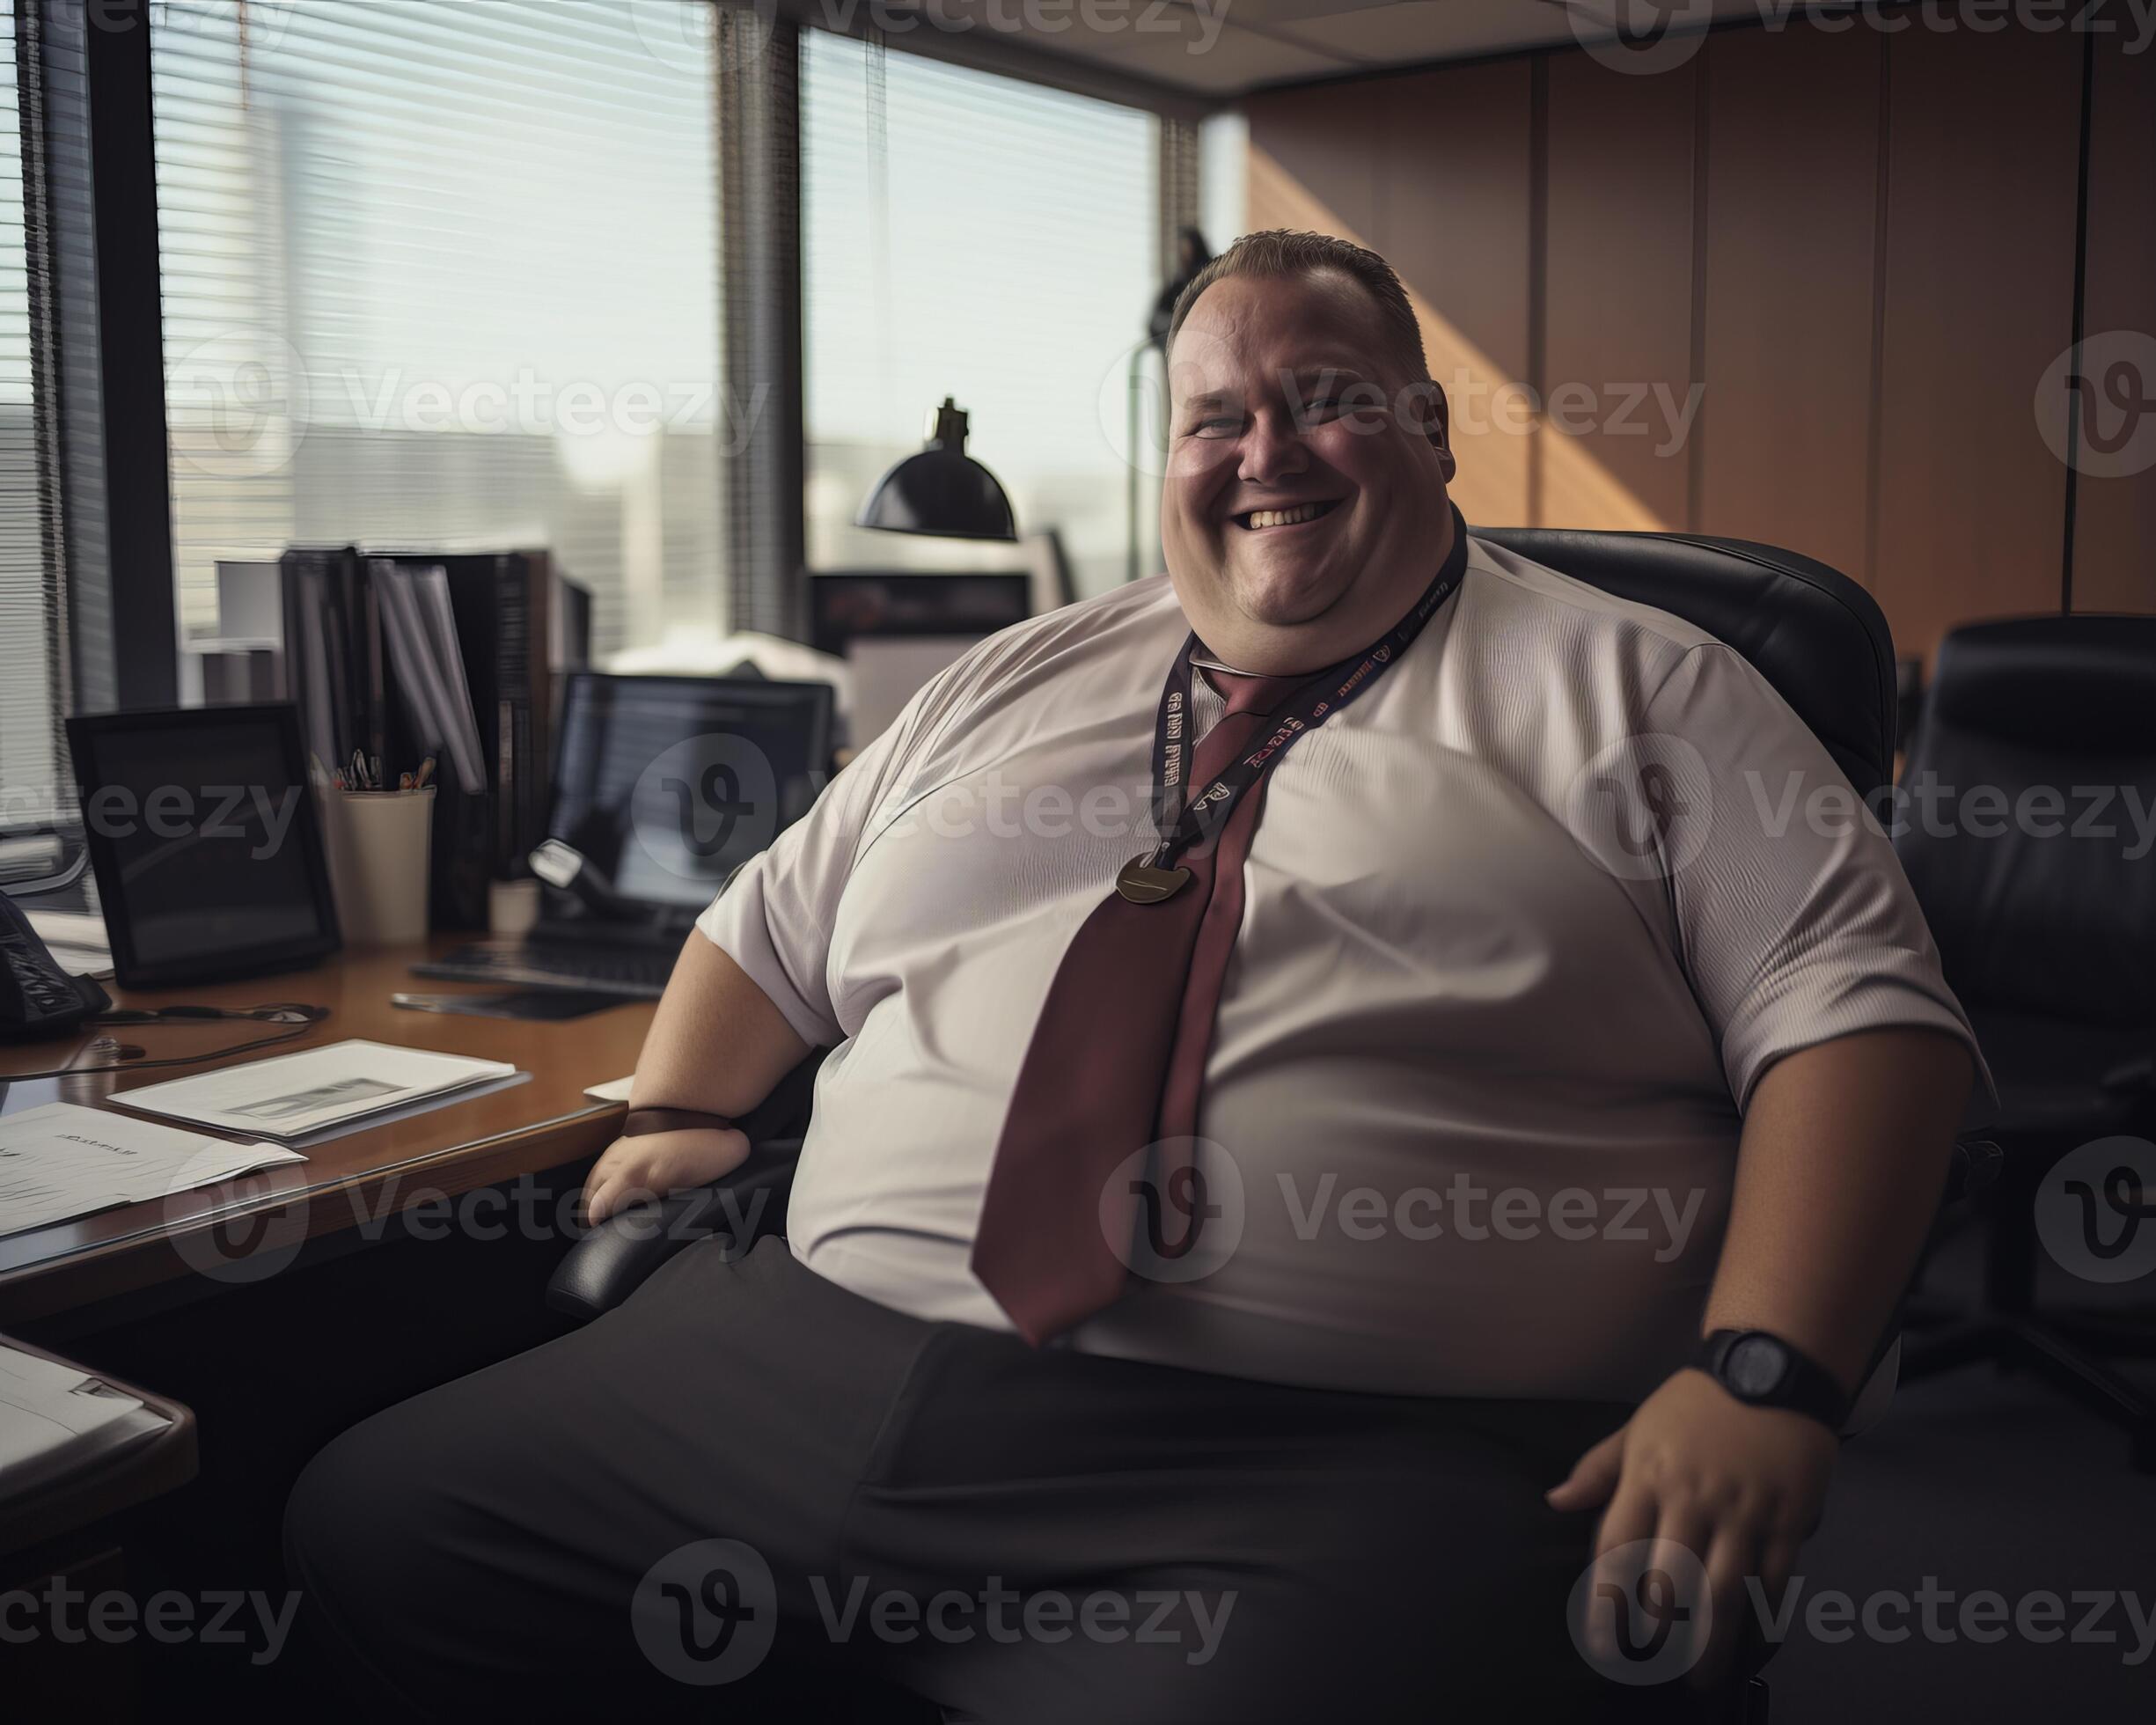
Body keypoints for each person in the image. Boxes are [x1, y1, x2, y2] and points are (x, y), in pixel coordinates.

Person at [286, 231, 1983, 1721]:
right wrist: (675, 1107)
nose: (1265, 452)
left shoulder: (1647, 688)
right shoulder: (1011, 675)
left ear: (1429, 431)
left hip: (1329, 1454)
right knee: (372, 1526)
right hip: (790, 1362)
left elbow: (1860, 1026)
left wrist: (1762, 1370)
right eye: (1213, 418)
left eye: (1324, 396)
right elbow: (767, 920)